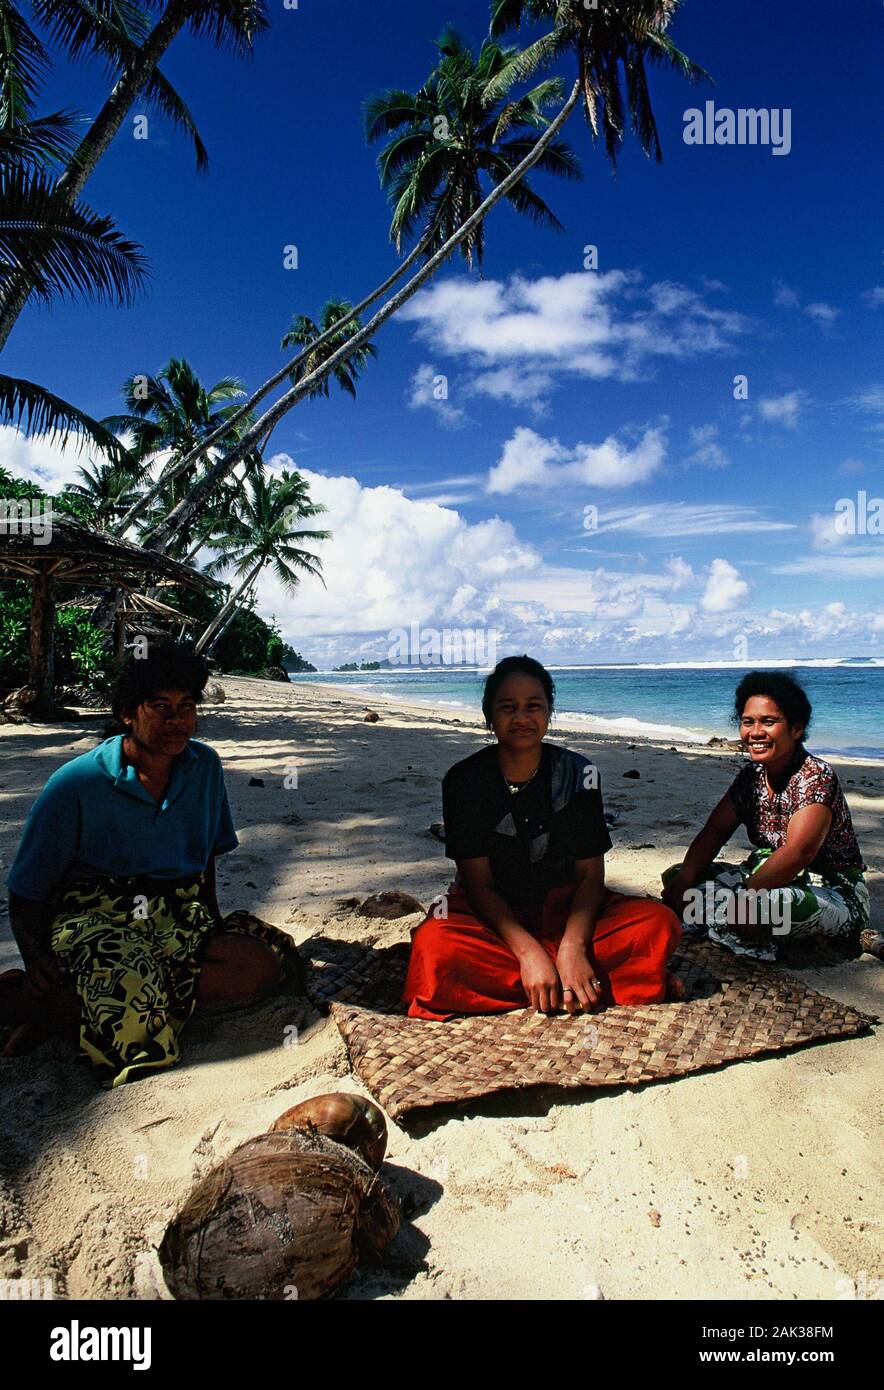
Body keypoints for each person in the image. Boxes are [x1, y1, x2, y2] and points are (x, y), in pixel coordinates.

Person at [1, 642, 299, 1083]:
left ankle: (75, 1010)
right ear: (127, 714)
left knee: (260, 968)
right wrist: (37, 957)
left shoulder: (205, 767)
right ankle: (28, 1000)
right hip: (96, 915)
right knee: (137, 1022)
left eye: (186, 706)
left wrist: (211, 921)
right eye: (159, 707)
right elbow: (26, 886)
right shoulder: (78, 782)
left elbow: (207, 859)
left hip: (175, 912)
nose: (175, 721)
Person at [402, 655, 682, 1020]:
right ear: (490, 716)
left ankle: (557, 978)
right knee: (434, 947)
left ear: (549, 711)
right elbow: (479, 885)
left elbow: (589, 877)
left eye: (533, 706)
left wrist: (573, 948)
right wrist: (528, 954)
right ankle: (589, 982)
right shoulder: (463, 780)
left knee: (657, 923)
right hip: (492, 919)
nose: (521, 717)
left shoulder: (580, 773)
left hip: (568, 911)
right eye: (508, 707)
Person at [662, 671, 871, 961]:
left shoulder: (815, 777)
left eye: (768, 722)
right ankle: (781, 935)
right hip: (764, 879)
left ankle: (805, 933)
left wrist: (745, 895)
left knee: (757, 911)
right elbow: (714, 832)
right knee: (677, 878)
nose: (755, 732)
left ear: (796, 729)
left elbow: (799, 851)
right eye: (748, 722)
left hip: (829, 889)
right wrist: (686, 876)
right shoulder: (751, 777)